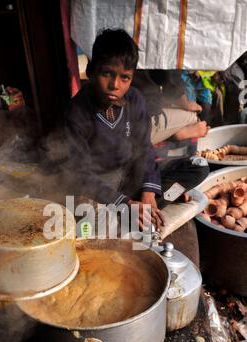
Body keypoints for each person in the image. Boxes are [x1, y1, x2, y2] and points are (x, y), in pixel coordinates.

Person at [62, 29, 209, 231]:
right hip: (101, 188)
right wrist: (123, 203)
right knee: (87, 221)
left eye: (125, 78)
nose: (115, 85)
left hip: (131, 178)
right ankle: (138, 210)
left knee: (198, 167)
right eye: (107, 74)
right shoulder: (76, 113)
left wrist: (148, 192)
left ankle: (146, 206)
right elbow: (79, 175)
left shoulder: (134, 99)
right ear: (91, 70)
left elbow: (145, 149)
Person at [132, 70, 210, 144]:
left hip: (132, 115)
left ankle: (172, 133)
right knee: (193, 117)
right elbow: (167, 73)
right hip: (138, 125)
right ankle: (177, 134)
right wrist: (183, 101)